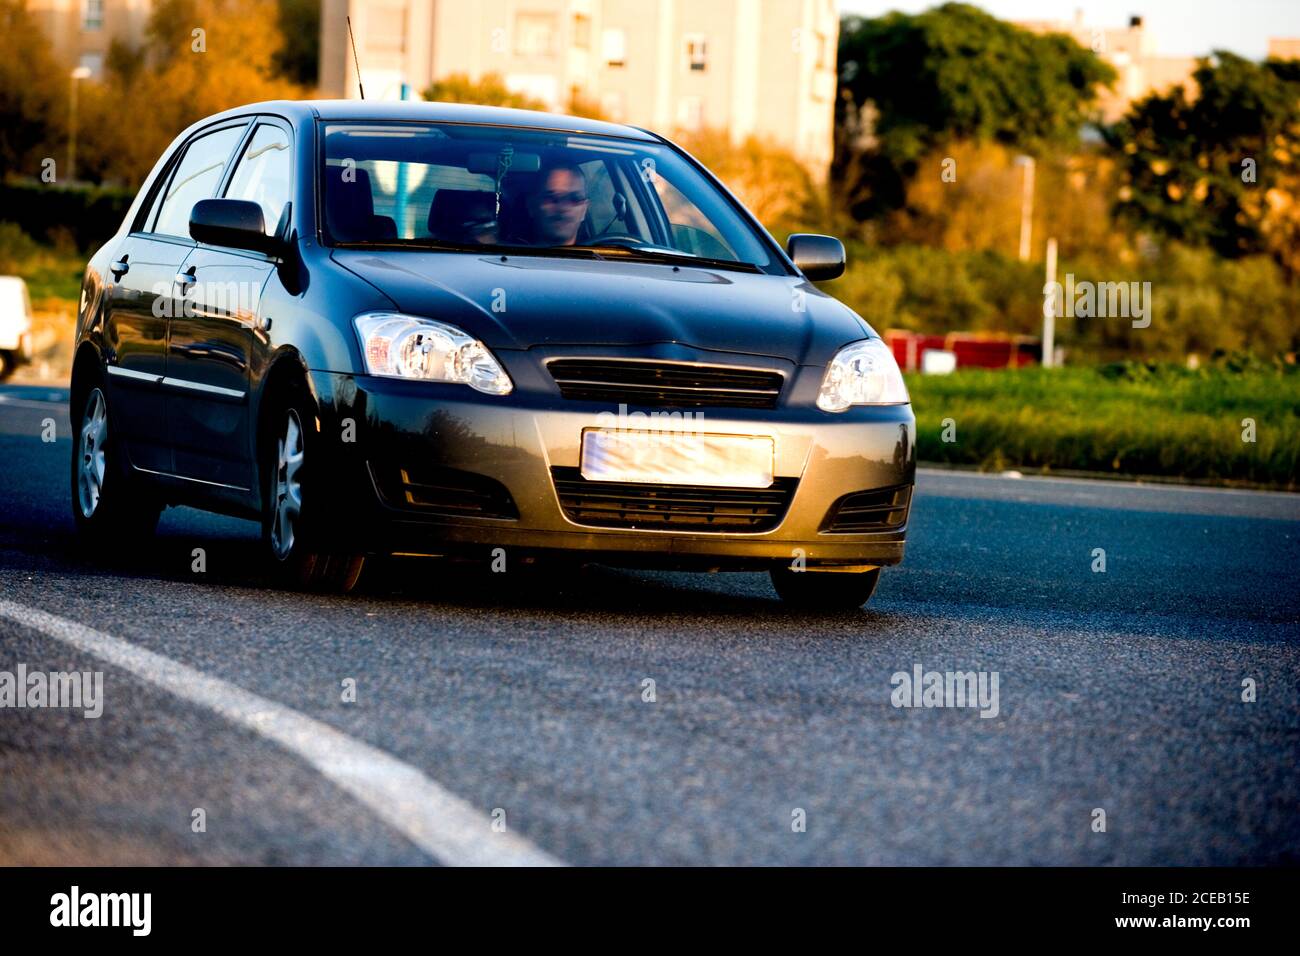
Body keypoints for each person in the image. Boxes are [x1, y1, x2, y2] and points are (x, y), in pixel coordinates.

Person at [524, 163, 589, 246]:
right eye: (551, 198)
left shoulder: (601, 256)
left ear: (584, 210)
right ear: (531, 206)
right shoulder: (508, 256)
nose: (563, 207)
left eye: (575, 199)